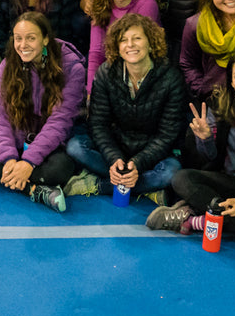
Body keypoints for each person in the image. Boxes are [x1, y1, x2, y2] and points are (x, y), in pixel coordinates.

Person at [0, 11, 85, 213]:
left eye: (31, 38)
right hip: (17, 138)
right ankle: (34, 191)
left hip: (50, 144)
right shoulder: (9, 64)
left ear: (45, 39)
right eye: (18, 38)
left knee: (61, 169)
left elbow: (60, 122)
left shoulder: (71, 68)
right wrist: (9, 159)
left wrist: (29, 162)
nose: (23, 45)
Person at [65, 14, 185, 198]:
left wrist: (137, 163)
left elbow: (167, 135)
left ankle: (100, 185)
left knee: (171, 173)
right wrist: (115, 159)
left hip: (150, 153)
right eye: (123, 40)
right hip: (117, 145)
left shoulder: (171, 78)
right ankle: (146, 188)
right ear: (117, 47)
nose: (130, 45)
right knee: (75, 147)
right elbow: (98, 124)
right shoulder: (106, 72)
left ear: (151, 43)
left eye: (137, 38)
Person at [148, 49, 235, 237]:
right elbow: (210, 157)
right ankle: (227, 218)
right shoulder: (222, 105)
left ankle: (196, 220)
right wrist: (205, 139)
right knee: (182, 178)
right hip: (232, 181)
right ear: (231, 80)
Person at [81, 0, 161, 90]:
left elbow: (142, 54)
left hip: (142, 77)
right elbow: (96, 52)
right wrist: (91, 92)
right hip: (110, 76)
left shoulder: (147, 4)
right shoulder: (100, 3)